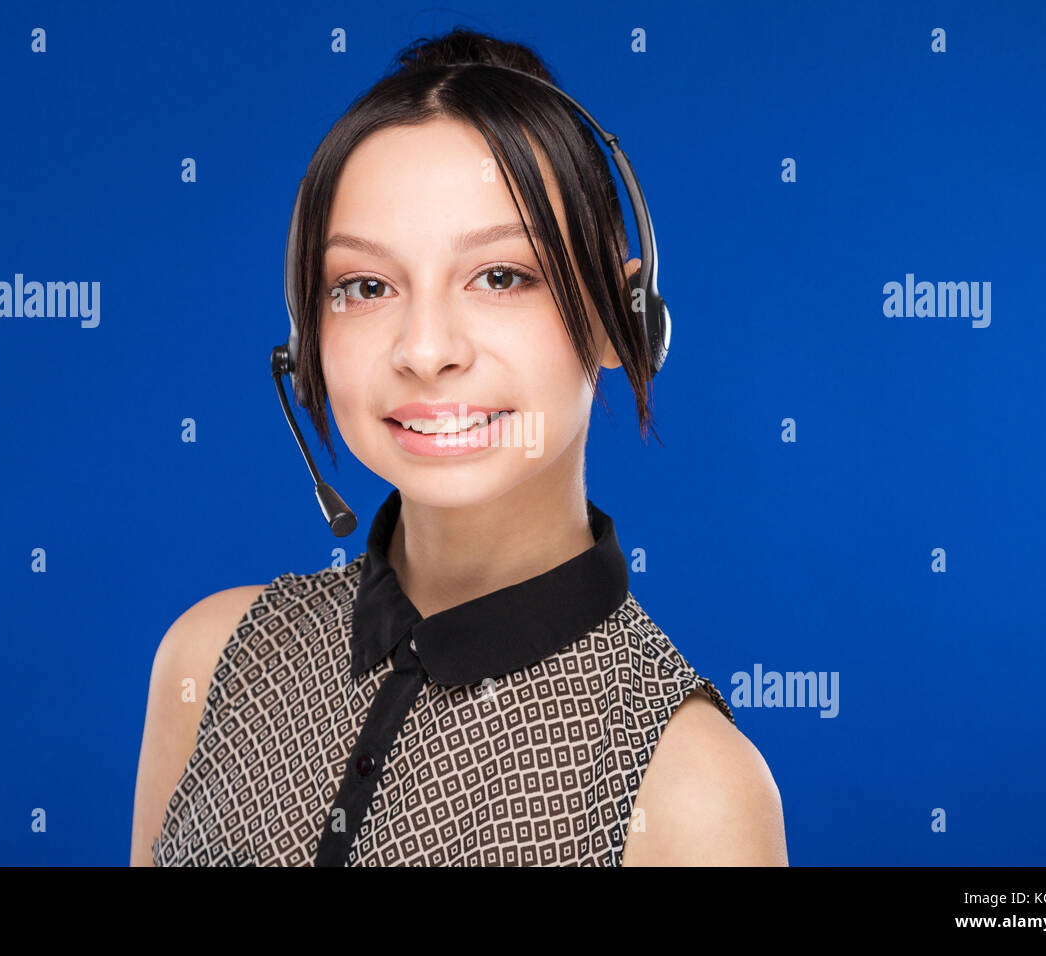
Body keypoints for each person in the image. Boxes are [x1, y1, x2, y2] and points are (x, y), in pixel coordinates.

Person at [130, 26, 787, 866]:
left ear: (626, 319)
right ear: (304, 342)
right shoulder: (214, 656)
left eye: (502, 276)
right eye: (365, 286)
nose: (425, 348)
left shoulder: (692, 786)